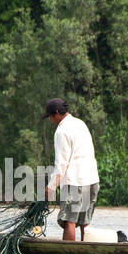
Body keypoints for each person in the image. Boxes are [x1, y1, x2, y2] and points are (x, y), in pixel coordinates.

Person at [42, 97, 99, 241]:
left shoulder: (61, 131)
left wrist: (51, 186)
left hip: (74, 181)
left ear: (56, 113)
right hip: (91, 179)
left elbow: (61, 163)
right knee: (85, 222)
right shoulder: (80, 123)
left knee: (70, 221)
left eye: (50, 116)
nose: (51, 120)